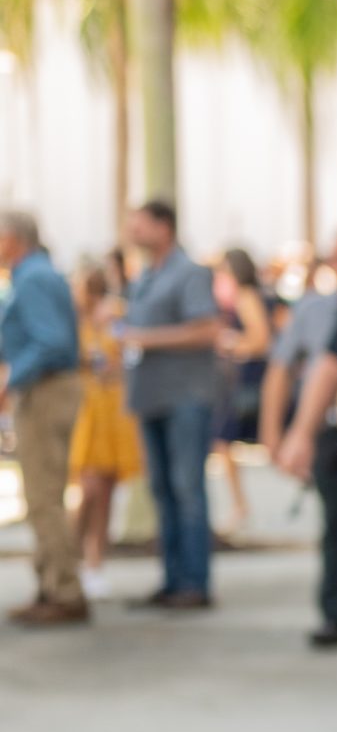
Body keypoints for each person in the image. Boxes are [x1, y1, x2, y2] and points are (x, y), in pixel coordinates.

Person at [264, 227, 337, 646]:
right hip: (330, 431)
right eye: (336, 256)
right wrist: (278, 433)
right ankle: (332, 615)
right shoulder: (313, 309)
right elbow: (280, 368)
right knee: (336, 525)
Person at [115, 199, 223, 610]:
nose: (133, 231)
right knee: (162, 489)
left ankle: (195, 583)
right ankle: (173, 578)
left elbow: (207, 329)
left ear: (164, 227)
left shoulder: (190, 273)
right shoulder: (145, 276)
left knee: (186, 488)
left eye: (139, 224)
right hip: (151, 397)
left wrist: (145, 338)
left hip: (185, 396)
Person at [1, 208, 87, 624]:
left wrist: (9, 379)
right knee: (42, 494)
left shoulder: (33, 278)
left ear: (11, 238)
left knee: (43, 497)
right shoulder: (33, 275)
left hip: (46, 391)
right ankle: (52, 584)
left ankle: (64, 590)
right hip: (47, 388)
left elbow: (50, 341)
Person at [67, 259, 146, 603]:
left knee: (106, 493)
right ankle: (69, 561)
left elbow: (128, 356)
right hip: (87, 410)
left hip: (113, 409)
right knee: (87, 490)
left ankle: (95, 565)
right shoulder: (70, 325)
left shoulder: (115, 318)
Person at [210, 247, 274, 536]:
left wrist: (232, 344)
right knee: (225, 442)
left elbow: (260, 340)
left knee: (226, 439)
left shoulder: (246, 296)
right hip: (243, 376)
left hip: (248, 377)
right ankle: (239, 504)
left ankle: (240, 504)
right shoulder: (242, 296)